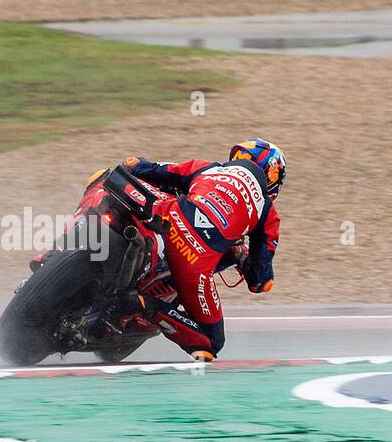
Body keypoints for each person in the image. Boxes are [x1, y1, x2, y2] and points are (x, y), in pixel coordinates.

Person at [122, 139, 286, 360]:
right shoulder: (267, 212)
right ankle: (144, 304)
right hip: (192, 258)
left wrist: (135, 164)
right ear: (271, 176)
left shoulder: (208, 168)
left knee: (122, 182)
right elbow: (260, 281)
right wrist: (242, 257)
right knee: (211, 342)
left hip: (166, 220)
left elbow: (151, 169)